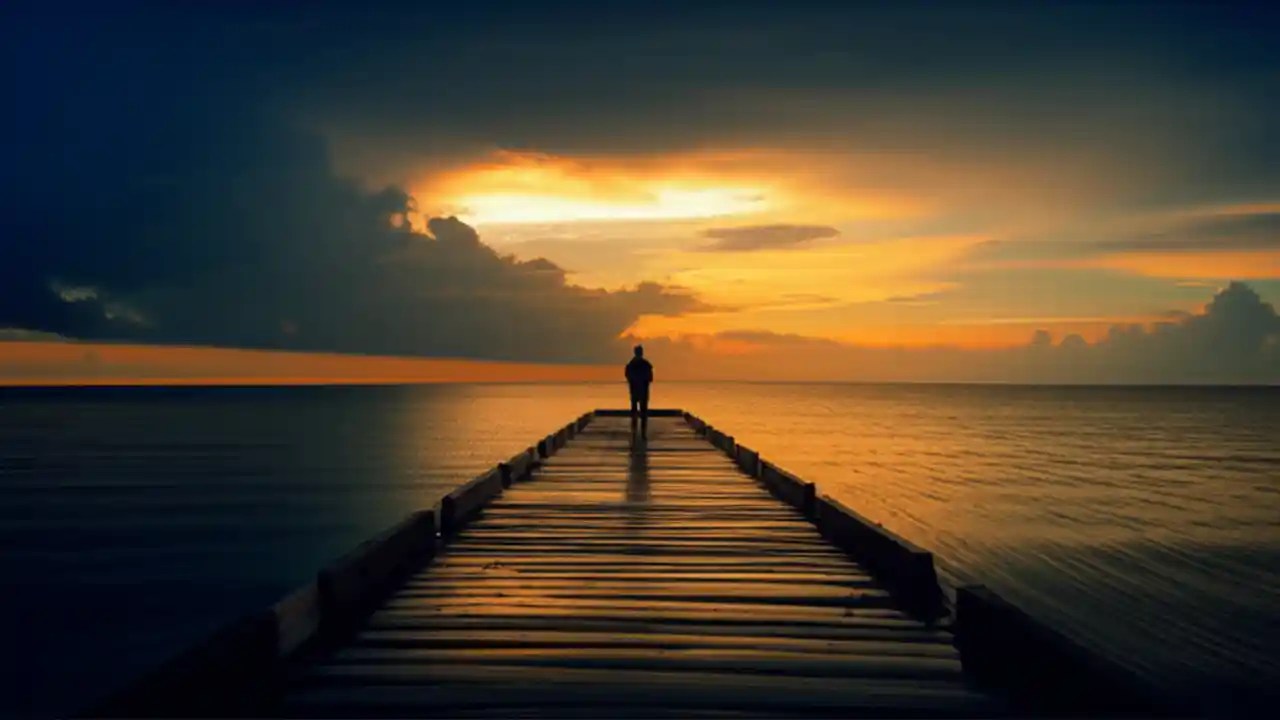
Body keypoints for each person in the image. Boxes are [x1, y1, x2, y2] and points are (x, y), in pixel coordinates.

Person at [624, 345, 653, 436]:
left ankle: (636, 431)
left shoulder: (631, 364)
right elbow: (650, 378)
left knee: (636, 412)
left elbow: (628, 377)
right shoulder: (646, 364)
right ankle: (641, 432)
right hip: (641, 391)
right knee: (641, 412)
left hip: (636, 391)